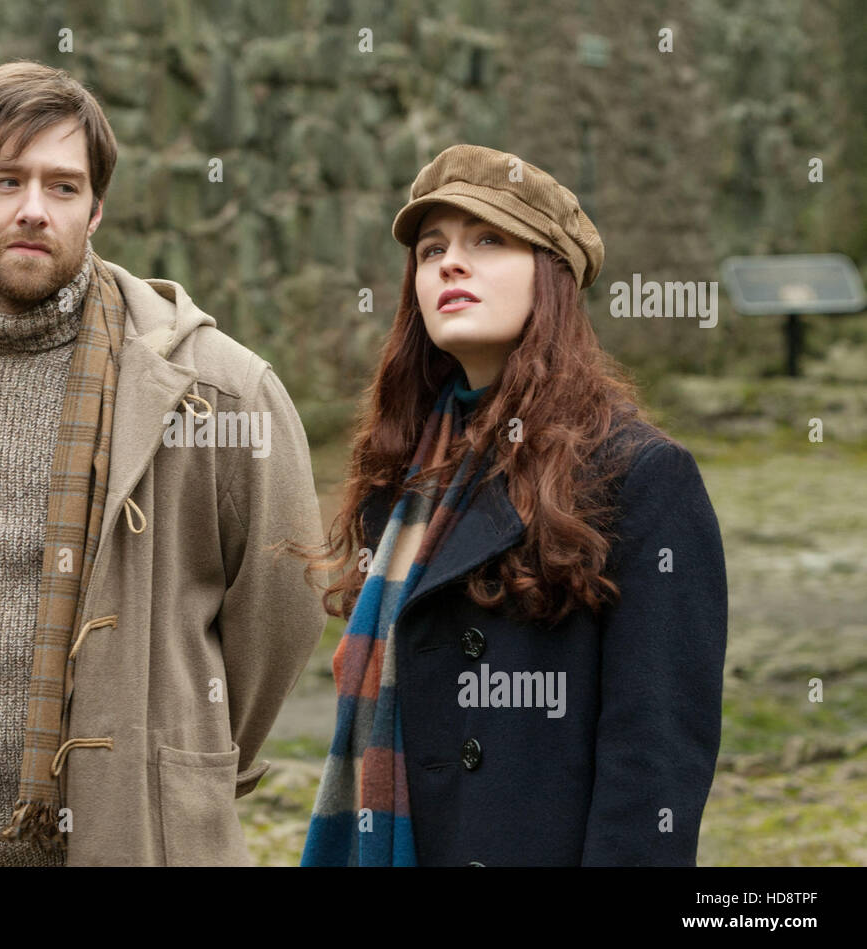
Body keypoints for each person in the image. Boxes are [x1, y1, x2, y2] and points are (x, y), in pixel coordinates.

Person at [0, 60, 327, 866]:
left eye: (63, 187)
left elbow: (284, 607)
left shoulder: (220, 392)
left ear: (95, 209)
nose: (33, 210)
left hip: (132, 835)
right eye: (5, 181)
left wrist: (178, 757)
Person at [298, 145, 728, 866]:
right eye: (432, 249)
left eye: (488, 240)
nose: (449, 265)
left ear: (552, 276)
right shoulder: (400, 479)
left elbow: (654, 761)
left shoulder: (641, 476)